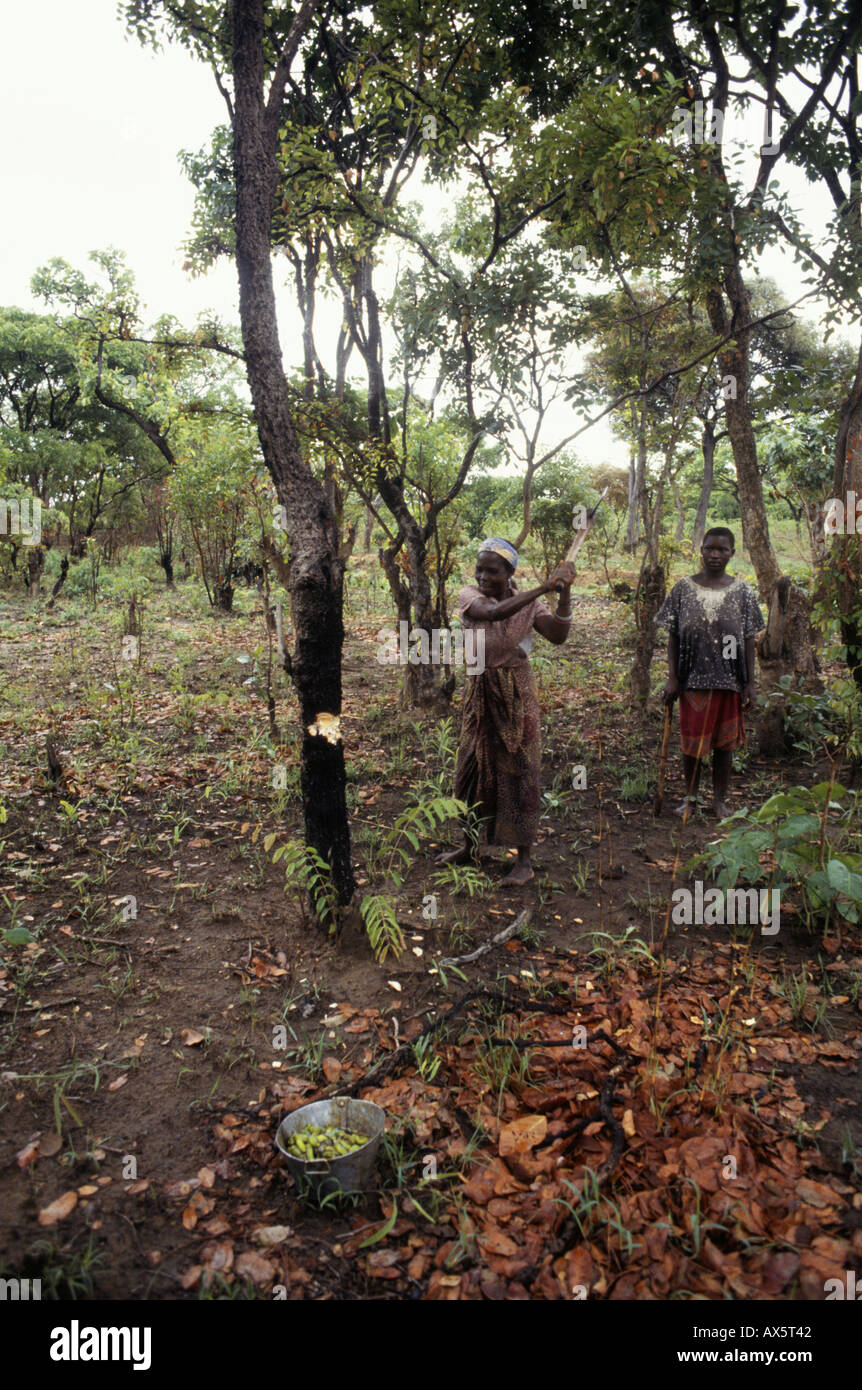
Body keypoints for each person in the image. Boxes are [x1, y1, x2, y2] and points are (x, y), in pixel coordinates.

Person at [437, 538, 576, 885]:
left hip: (517, 693)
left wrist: (563, 593)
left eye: (493, 570)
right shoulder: (469, 596)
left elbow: (558, 636)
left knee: (521, 772)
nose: (483, 576)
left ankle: (524, 862)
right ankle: (469, 847)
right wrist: (545, 586)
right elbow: (494, 613)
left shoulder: (530, 604)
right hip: (480, 692)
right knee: (471, 766)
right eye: (480, 568)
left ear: (510, 572)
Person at [657, 526, 765, 819]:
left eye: (722, 549)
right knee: (692, 745)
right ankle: (690, 799)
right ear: (701, 550)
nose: (715, 555)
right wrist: (673, 677)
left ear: (732, 553)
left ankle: (719, 800)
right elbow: (675, 636)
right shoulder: (683, 588)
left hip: (729, 680)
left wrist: (750, 682)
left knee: (724, 745)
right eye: (710, 548)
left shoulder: (741, 591)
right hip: (692, 679)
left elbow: (747, 638)